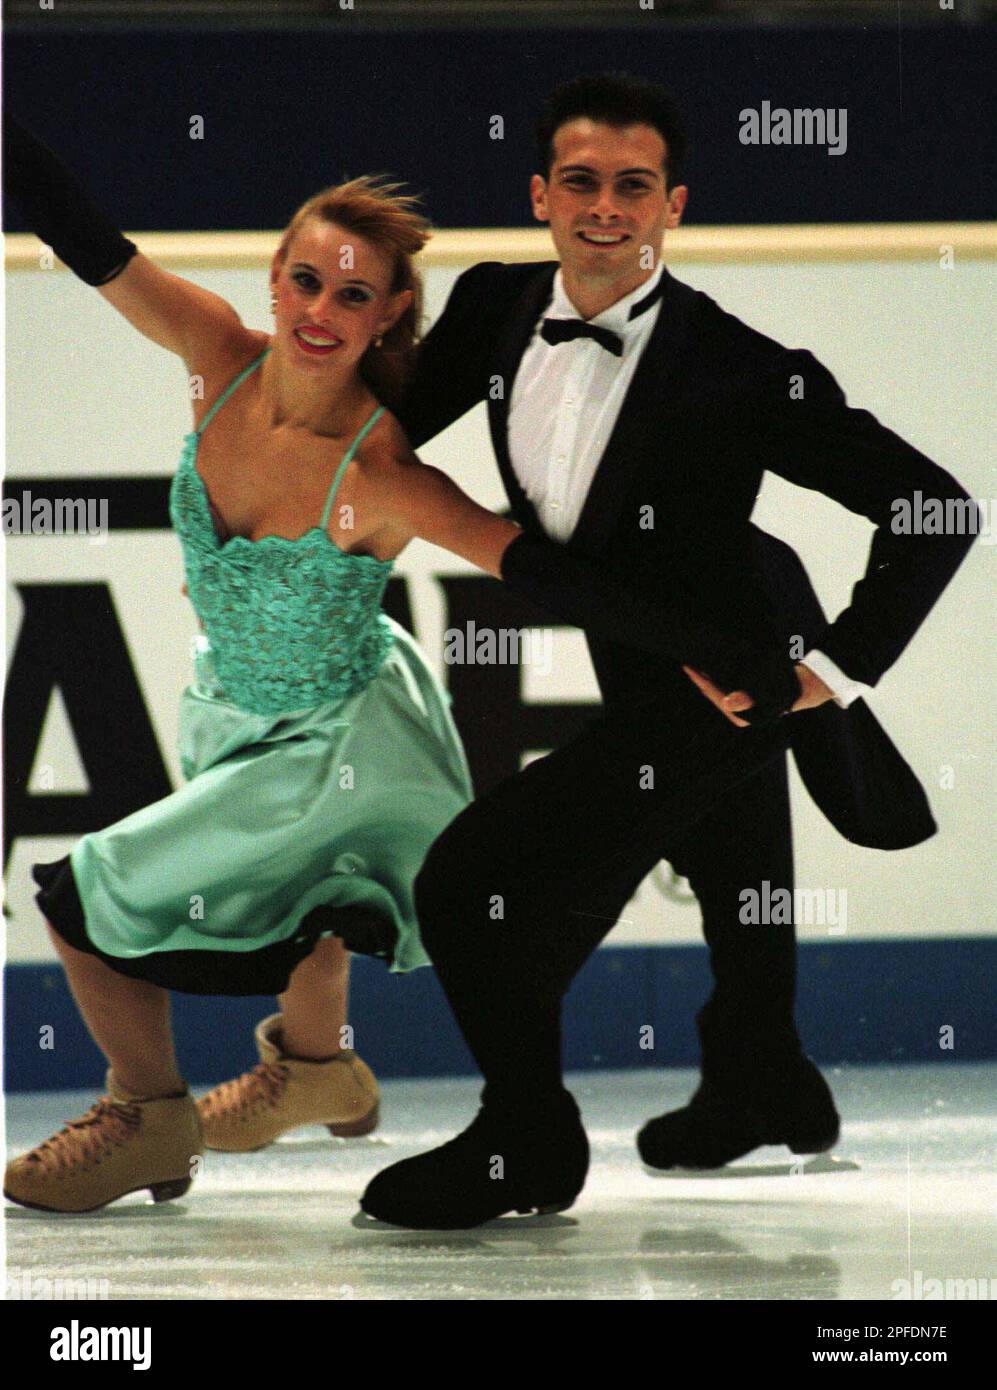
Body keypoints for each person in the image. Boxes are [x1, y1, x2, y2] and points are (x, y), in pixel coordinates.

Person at [3, 113, 799, 1214]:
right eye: (305, 282)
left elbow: (539, 571)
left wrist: (716, 652)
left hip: (339, 737)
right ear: (273, 281)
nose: (321, 312)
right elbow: (83, 234)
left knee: (81, 898)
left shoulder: (376, 469)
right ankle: (319, 1072)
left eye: (352, 295)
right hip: (234, 711)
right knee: (315, 899)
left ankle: (146, 1115)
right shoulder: (215, 356)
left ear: (389, 317)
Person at [358, 72, 979, 1229]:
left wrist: (831, 670)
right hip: (645, 646)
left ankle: (522, 1142)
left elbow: (932, 505)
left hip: (726, 669)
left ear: (672, 205)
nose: (606, 207)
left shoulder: (741, 367)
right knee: (736, 875)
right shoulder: (496, 307)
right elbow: (379, 434)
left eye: (632, 186)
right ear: (540, 195)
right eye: (580, 182)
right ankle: (762, 1075)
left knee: (484, 885)